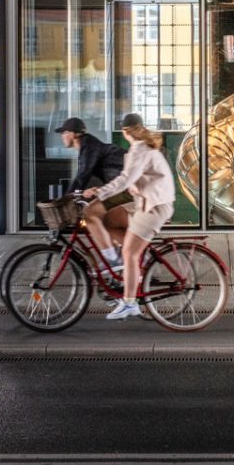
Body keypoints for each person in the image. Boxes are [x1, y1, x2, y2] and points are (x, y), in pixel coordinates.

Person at [81, 113, 175, 321]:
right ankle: (132, 260)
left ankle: (130, 303)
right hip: (145, 202)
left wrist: (100, 193)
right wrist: (103, 190)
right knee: (109, 221)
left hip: (154, 205)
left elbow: (125, 180)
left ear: (124, 132)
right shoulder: (141, 148)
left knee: (129, 254)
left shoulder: (139, 150)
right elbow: (131, 182)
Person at [55, 117, 125, 194]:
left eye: (64, 133)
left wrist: (67, 198)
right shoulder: (88, 146)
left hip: (129, 183)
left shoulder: (89, 146)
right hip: (123, 184)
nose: (62, 136)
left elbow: (83, 175)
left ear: (72, 134)